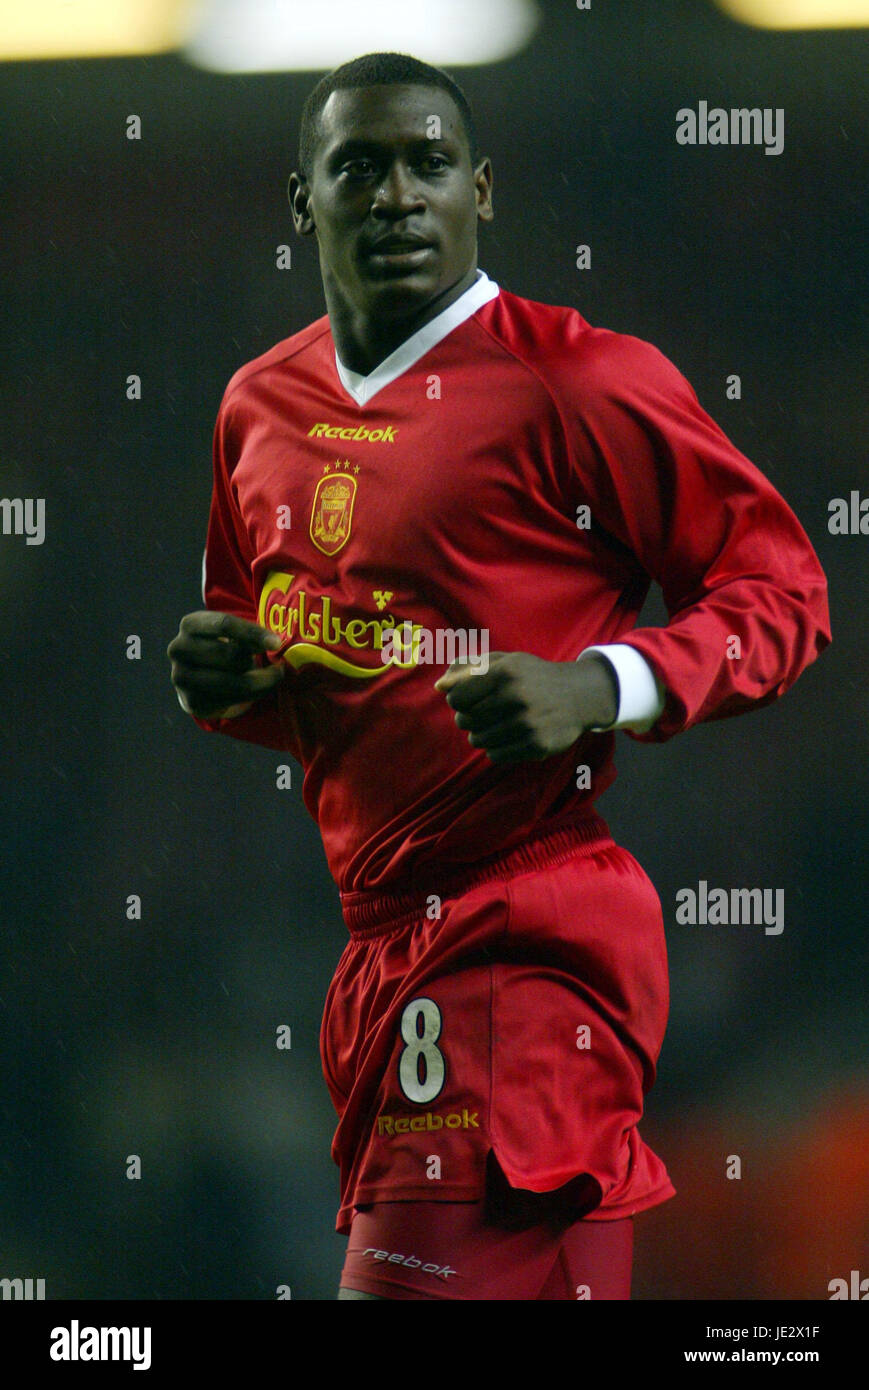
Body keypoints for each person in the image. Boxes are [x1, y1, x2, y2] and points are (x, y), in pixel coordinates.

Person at [166, 51, 831, 1301]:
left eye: (427, 163)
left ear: (482, 188)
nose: (397, 194)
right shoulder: (257, 408)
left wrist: (602, 681)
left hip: (518, 936)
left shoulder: (576, 379)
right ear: (302, 201)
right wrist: (220, 678)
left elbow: (783, 591)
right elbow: (289, 662)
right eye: (357, 166)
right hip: (377, 952)